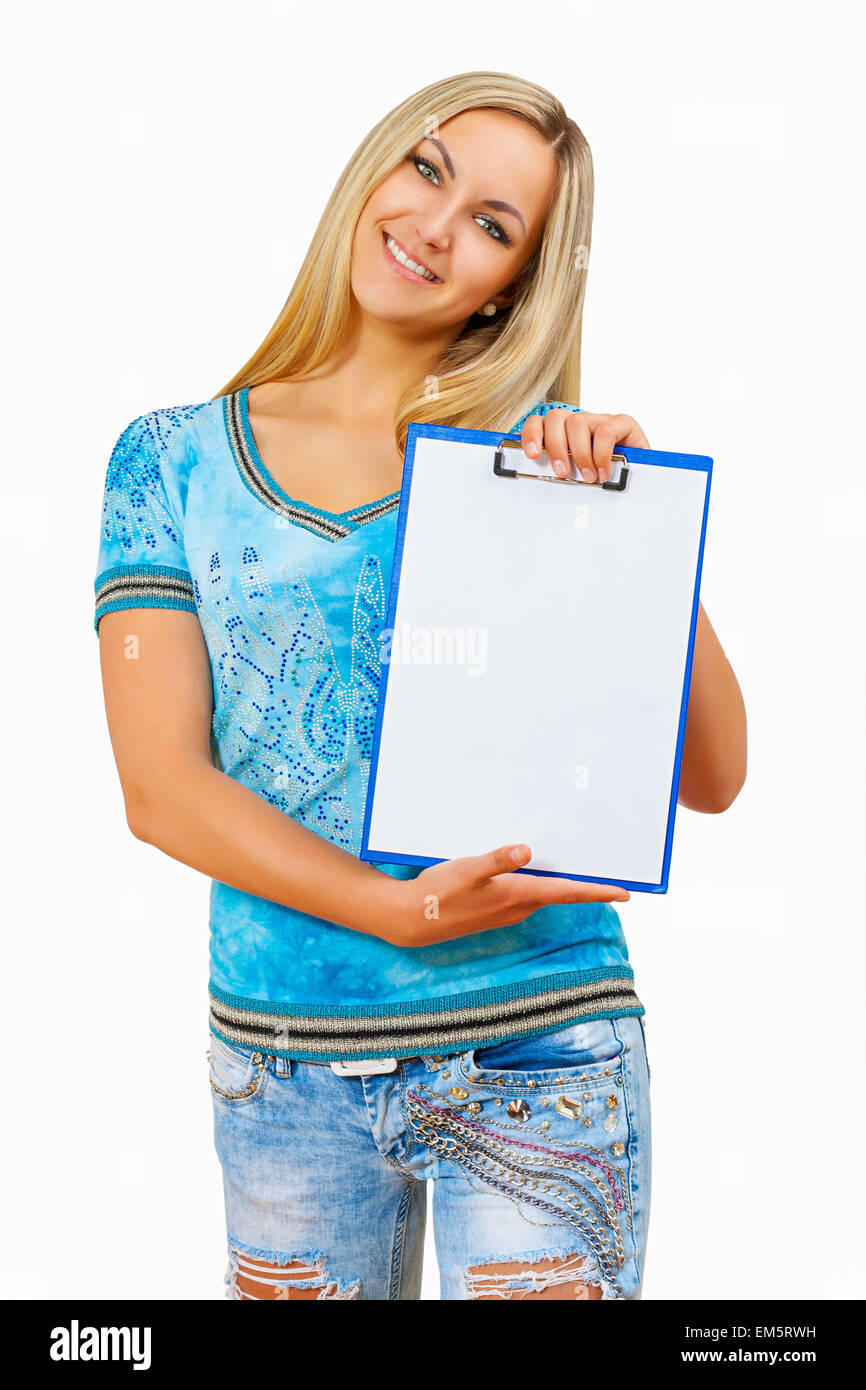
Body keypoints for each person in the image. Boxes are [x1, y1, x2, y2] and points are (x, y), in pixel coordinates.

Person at [93, 71, 747, 1301]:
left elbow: (711, 775)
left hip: (540, 1044)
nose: (437, 227)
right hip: (284, 1060)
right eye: (428, 170)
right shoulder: (167, 460)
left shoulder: (530, 466)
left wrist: (639, 520)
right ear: (376, 168)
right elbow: (160, 785)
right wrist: (385, 909)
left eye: (495, 226)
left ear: (517, 282)